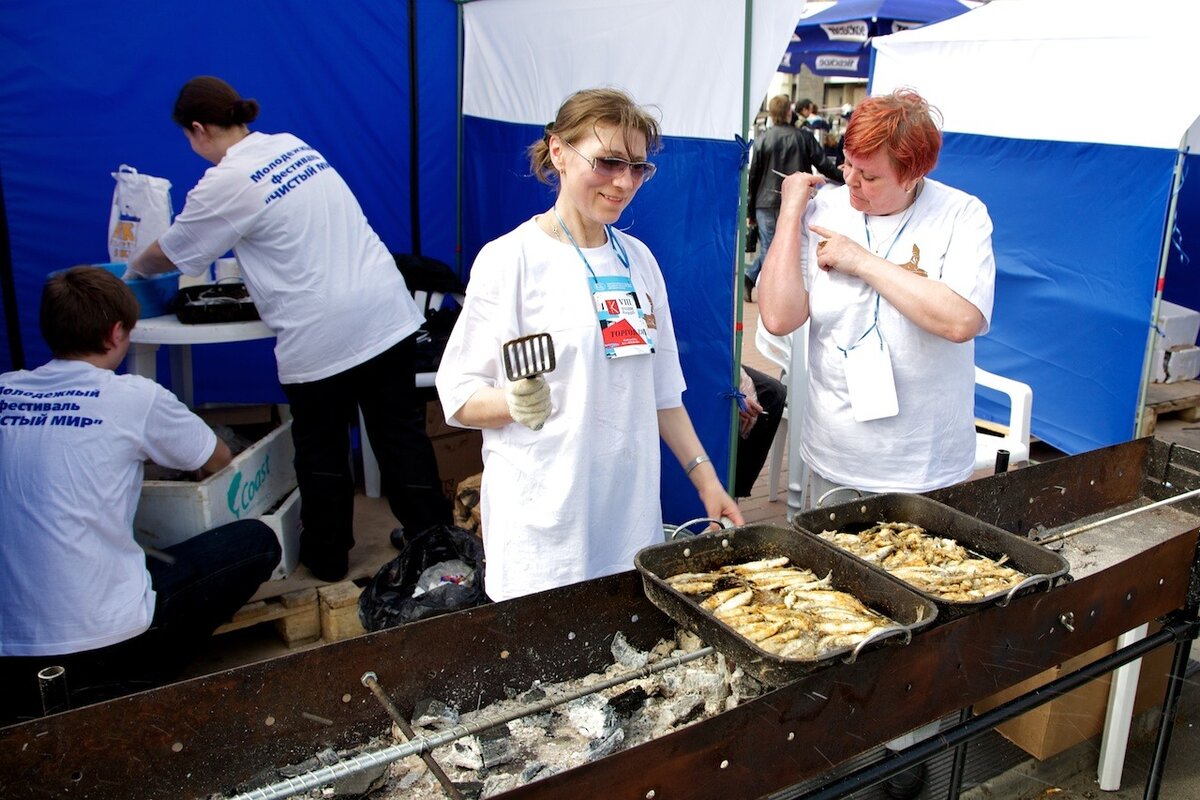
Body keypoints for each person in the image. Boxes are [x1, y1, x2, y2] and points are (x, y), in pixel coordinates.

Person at [757, 88, 995, 799]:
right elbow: (777, 313)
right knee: (831, 602)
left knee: (918, 609)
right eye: (848, 167)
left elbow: (960, 320)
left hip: (923, 462)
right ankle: (836, 740)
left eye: (871, 176)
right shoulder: (824, 207)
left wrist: (862, 262)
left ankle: (907, 750)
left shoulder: (961, 214)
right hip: (832, 452)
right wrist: (795, 213)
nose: (853, 185)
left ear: (914, 173)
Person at [129, 76, 451, 583]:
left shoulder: (225, 181)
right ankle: (435, 543)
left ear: (197, 129)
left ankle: (327, 558)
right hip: (385, 311)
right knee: (400, 437)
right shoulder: (290, 146)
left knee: (321, 446)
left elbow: (171, 253)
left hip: (321, 328)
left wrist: (128, 272)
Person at [435, 88, 743, 603]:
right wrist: (512, 401)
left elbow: (663, 394)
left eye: (639, 167)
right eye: (608, 162)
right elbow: (459, 396)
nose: (624, 182)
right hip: (543, 532)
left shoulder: (638, 261)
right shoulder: (510, 259)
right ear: (558, 152)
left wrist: (707, 482)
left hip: (625, 522)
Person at [0, 266, 281, 726]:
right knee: (255, 540)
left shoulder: (5, 390)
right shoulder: (132, 396)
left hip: (8, 655)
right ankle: (132, 683)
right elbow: (216, 458)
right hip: (109, 645)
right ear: (116, 333)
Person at [745, 95, 842, 300]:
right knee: (795, 247)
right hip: (796, 199)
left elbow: (753, 176)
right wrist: (846, 177)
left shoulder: (763, 139)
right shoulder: (803, 137)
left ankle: (759, 284)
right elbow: (824, 164)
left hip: (765, 201)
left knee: (770, 247)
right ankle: (771, 292)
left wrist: (750, 210)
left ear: (771, 114)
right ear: (789, 113)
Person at [733, 366, 786, 498]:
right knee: (727, 402)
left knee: (772, 393)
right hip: (692, 360)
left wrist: (739, 377)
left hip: (721, 353)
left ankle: (734, 491)